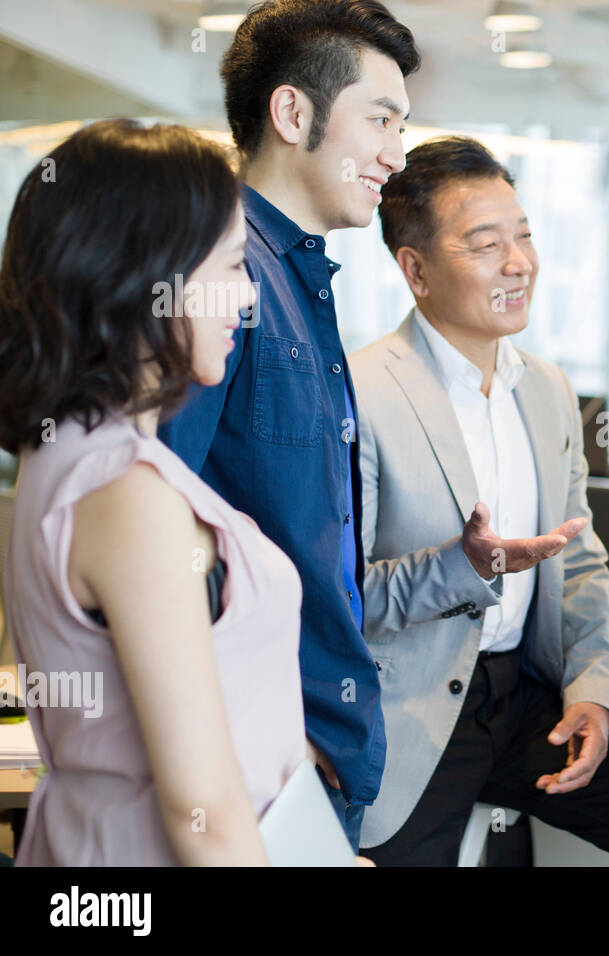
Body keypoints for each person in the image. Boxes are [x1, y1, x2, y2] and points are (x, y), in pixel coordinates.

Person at [349, 136, 609, 865]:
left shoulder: (548, 390)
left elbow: (579, 563)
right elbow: (344, 596)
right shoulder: (361, 393)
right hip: (413, 710)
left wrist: (593, 689)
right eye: (485, 244)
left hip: (525, 695)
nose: (519, 262)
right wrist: (463, 567)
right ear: (415, 269)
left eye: (523, 236)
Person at [0, 120, 306, 865]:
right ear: (148, 280)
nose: (247, 296)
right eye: (231, 265)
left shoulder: (69, 453)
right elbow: (201, 810)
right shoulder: (125, 494)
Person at [156, 0, 420, 850]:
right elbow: (156, 535)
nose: (397, 154)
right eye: (380, 119)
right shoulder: (220, 273)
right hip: (258, 762)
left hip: (313, 744)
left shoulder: (298, 277)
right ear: (293, 113)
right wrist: (249, 742)